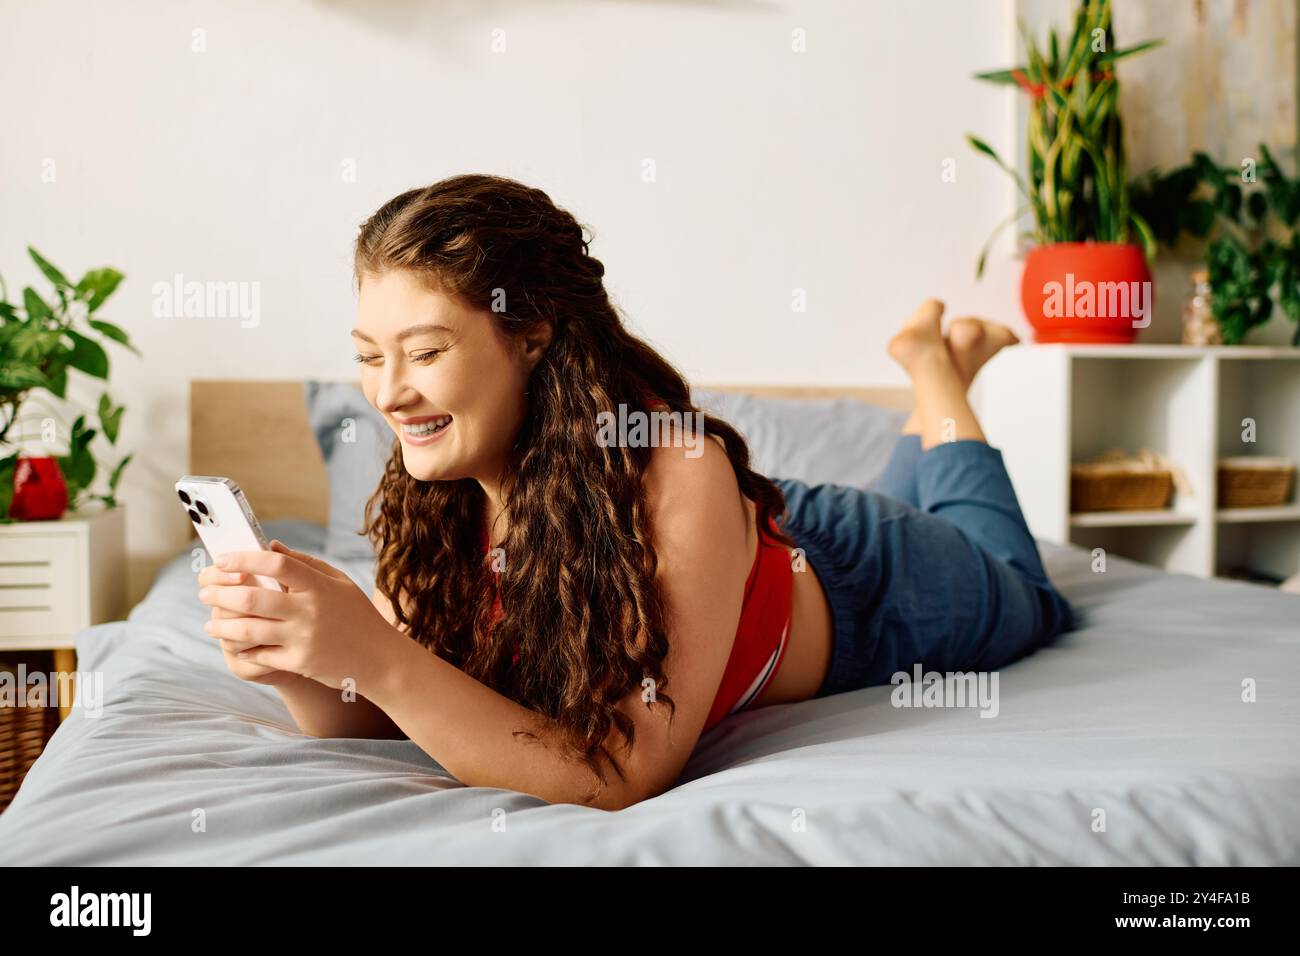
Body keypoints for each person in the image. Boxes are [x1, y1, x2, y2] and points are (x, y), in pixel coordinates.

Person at [198, 174, 1073, 811]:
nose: (389, 393)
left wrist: (381, 655)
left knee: (1028, 592)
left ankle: (938, 375)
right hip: (739, 548)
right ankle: (935, 384)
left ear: (531, 337)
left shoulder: (678, 466)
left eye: (425, 353)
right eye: (367, 356)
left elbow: (619, 772)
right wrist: (302, 662)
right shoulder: (438, 484)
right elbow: (393, 716)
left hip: (866, 583)